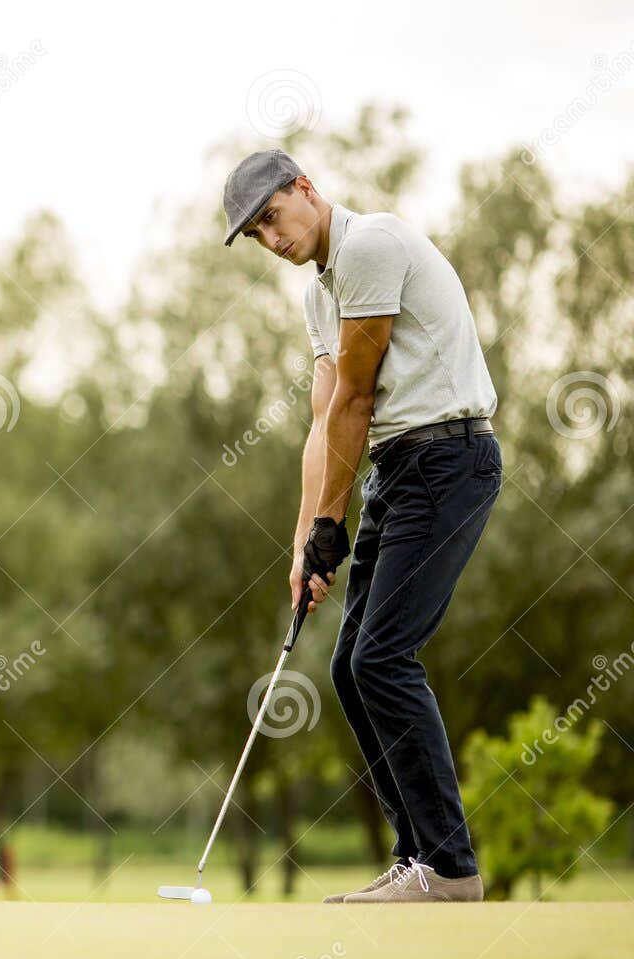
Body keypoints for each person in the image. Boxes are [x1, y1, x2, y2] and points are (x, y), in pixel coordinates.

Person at [222, 149, 502, 903]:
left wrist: (333, 521)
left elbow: (355, 395)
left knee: (383, 657)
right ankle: (419, 859)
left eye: (271, 218)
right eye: (255, 235)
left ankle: (450, 869)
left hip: (451, 459)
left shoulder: (371, 246)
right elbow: (321, 420)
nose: (270, 240)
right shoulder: (320, 296)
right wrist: (304, 543)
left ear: (306, 190)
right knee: (351, 665)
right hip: (395, 470)